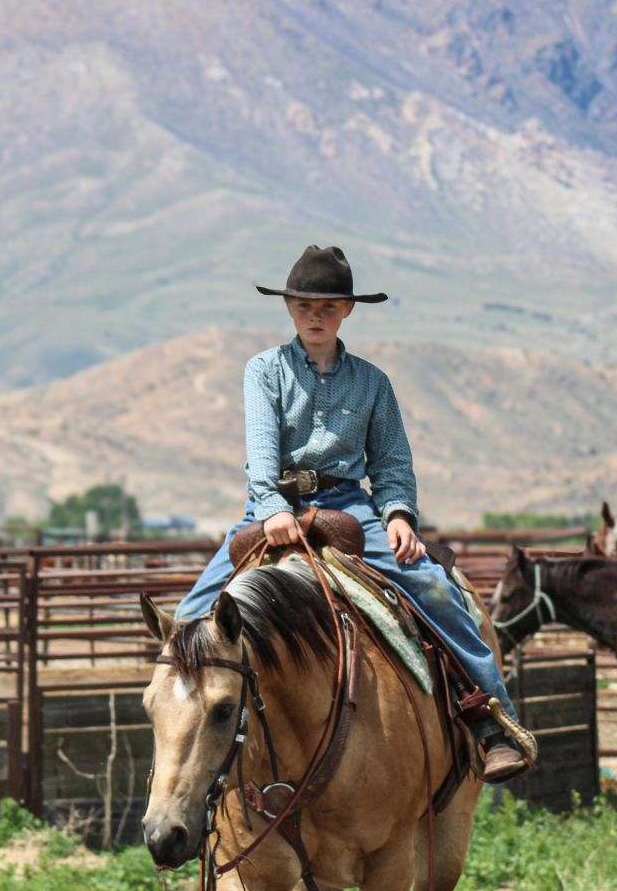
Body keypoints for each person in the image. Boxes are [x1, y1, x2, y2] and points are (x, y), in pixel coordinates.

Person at [175, 244, 534, 782]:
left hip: (348, 504)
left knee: (432, 586)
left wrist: (397, 515)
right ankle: (182, 750)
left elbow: (391, 462)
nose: (313, 316)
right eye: (303, 305)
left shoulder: (372, 382)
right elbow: (261, 451)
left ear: (348, 310)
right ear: (288, 307)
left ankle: (489, 720)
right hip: (271, 506)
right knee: (187, 617)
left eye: (327, 306)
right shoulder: (265, 371)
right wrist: (273, 506)